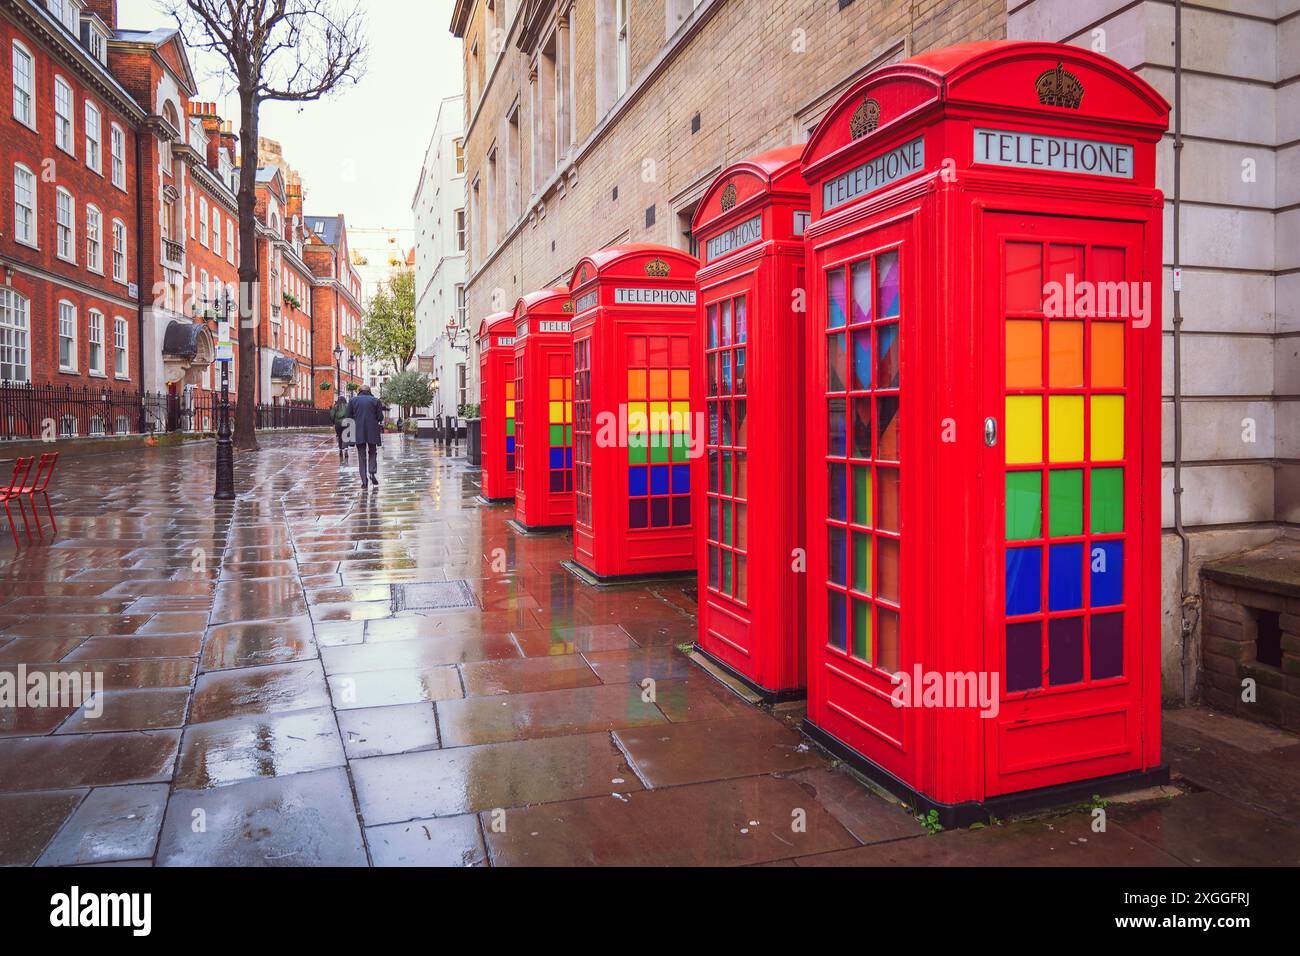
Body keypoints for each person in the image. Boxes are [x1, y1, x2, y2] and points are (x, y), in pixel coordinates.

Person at [345, 385, 385, 489]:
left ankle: (364, 480)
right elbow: (380, 417)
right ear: (369, 391)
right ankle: (372, 472)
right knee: (372, 452)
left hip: (359, 431)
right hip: (372, 430)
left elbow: (348, 417)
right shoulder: (376, 401)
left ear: (359, 391)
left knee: (361, 455)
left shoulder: (353, 401)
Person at [330, 393, 350, 464]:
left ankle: (340, 449)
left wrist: (333, 422)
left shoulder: (335, 406)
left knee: (339, 436)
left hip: (338, 424)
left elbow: (332, 415)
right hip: (347, 423)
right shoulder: (347, 406)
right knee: (346, 437)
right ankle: (346, 450)